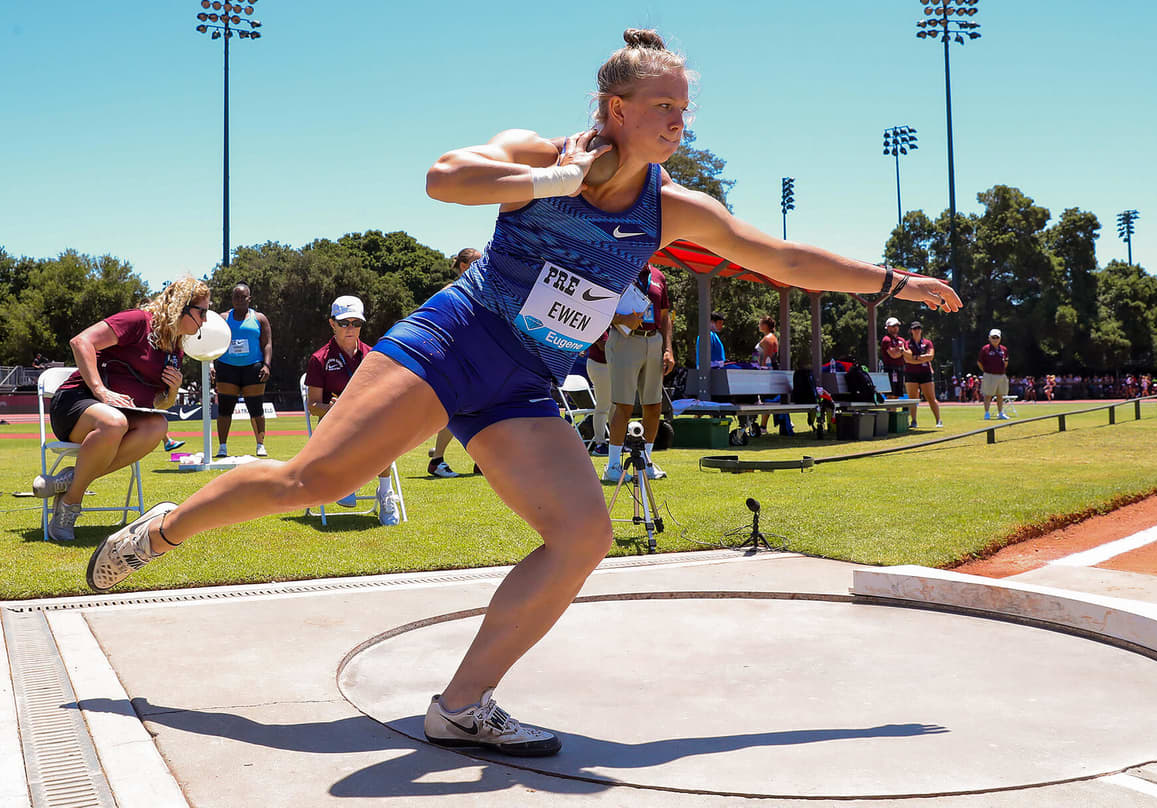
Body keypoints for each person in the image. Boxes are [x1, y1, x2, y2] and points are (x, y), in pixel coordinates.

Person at [86, 29, 960, 758]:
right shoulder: (542, 154)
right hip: (454, 343)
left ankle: (461, 705)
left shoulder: (671, 205)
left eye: (685, 109)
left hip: (525, 382)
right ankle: (165, 527)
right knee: (310, 482)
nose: (679, 124)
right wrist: (551, 183)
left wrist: (894, 280)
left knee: (583, 534)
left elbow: (782, 258)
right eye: (665, 107)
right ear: (616, 108)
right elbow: (442, 177)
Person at [33, 278, 210, 540]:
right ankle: (71, 504)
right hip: (78, 403)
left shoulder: (175, 348)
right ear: (182, 307)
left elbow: (157, 403)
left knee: (159, 425)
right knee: (114, 423)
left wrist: (171, 392)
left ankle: (70, 483)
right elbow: (80, 342)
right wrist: (100, 390)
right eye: (202, 312)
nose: (205, 320)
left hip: (121, 418)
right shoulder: (139, 321)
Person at [305, 296, 401, 525]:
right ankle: (346, 482)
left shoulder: (374, 355)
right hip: (334, 427)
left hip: (370, 422)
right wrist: (333, 408)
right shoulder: (319, 359)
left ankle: (384, 492)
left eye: (356, 323)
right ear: (332, 323)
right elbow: (313, 406)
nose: (350, 328)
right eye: (344, 322)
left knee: (385, 433)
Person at [604, 263, 674, 482]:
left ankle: (646, 462)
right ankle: (613, 465)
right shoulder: (617, 270)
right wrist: (622, 319)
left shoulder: (659, 276)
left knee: (654, 406)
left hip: (653, 342)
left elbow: (664, 317)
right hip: (625, 340)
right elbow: (598, 308)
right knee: (623, 405)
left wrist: (668, 349)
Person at [428, 248, 483, 477]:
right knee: (454, 410)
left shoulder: (481, 290)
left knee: (477, 408)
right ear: (464, 266)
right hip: (455, 358)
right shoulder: (451, 291)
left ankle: (481, 460)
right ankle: (437, 460)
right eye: (477, 262)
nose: (483, 265)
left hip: (475, 358)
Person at [212, 282, 273, 458]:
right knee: (225, 409)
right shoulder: (222, 318)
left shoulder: (259, 318)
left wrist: (267, 365)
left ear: (249, 298)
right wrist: (211, 364)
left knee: (256, 409)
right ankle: (222, 447)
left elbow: (267, 344)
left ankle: (260, 445)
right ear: (232, 299)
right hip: (226, 367)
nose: (239, 300)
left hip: (253, 367)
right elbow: (212, 343)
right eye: (236, 297)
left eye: (243, 297)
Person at [903, 321, 942, 428]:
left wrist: (915, 358)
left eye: (919, 328)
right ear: (911, 330)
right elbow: (907, 359)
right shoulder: (907, 343)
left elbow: (930, 356)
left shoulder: (927, 342)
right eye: (915, 329)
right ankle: (914, 421)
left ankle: (938, 420)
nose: (917, 331)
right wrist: (920, 358)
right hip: (911, 373)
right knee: (912, 398)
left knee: (931, 397)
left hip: (925, 373)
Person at [583, 330, 611, 456]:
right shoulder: (602, 323)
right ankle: (600, 444)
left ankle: (616, 441)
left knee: (615, 406)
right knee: (603, 406)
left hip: (610, 366)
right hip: (600, 366)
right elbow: (603, 345)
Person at [752, 315, 780, 434]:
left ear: (765, 325)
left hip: (764, 371)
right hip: (768, 370)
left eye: (760, 323)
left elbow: (765, 357)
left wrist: (759, 369)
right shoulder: (773, 338)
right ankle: (763, 426)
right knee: (766, 400)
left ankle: (761, 426)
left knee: (763, 399)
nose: (759, 326)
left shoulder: (767, 339)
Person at [978, 328, 1010, 420]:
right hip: (989, 375)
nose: (995, 339)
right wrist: (986, 371)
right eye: (993, 337)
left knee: (1000, 395)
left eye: (997, 337)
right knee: (988, 395)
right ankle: (987, 413)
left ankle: (1000, 413)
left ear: (1000, 338)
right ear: (989, 338)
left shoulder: (1004, 349)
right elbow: (979, 362)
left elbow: (1006, 362)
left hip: (1001, 375)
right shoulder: (985, 349)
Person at [880, 317, 907, 397]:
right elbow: (893, 355)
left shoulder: (901, 340)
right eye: (893, 326)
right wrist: (902, 351)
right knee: (890, 394)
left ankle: (893, 410)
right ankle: (890, 410)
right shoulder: (886, 340)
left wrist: (900, 351)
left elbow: (908, 353)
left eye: (897, 325)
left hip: (900, 368)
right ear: (888, 327)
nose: (896, 327)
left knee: (897, 394)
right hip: (890, 369)